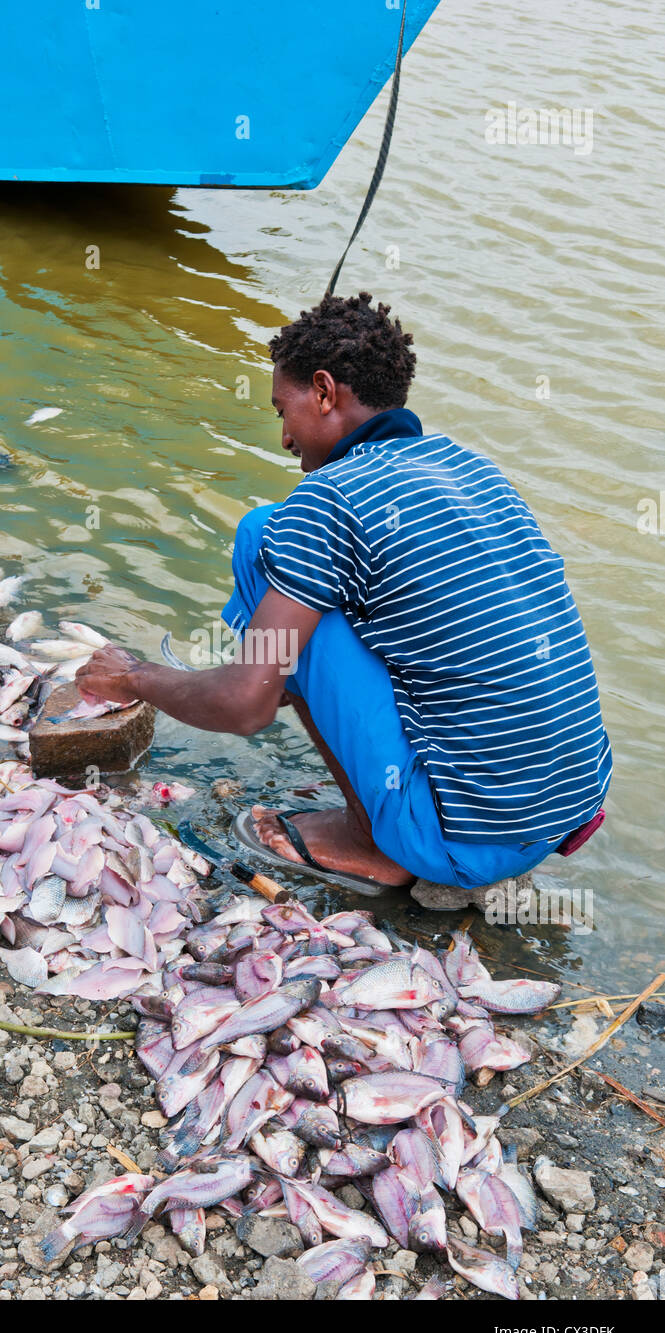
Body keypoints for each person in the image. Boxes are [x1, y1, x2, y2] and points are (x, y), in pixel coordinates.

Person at [77, 292, 611, 891]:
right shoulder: (472, 469)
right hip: (568, 806)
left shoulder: (327, 500)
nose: (284, 437)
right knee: (306, 611)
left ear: (326, 392)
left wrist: (134, 678)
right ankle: (398, 800)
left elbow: (243, 709)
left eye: (285, 409)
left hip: (458, 841)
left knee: (261, 535)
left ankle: (373, 841)